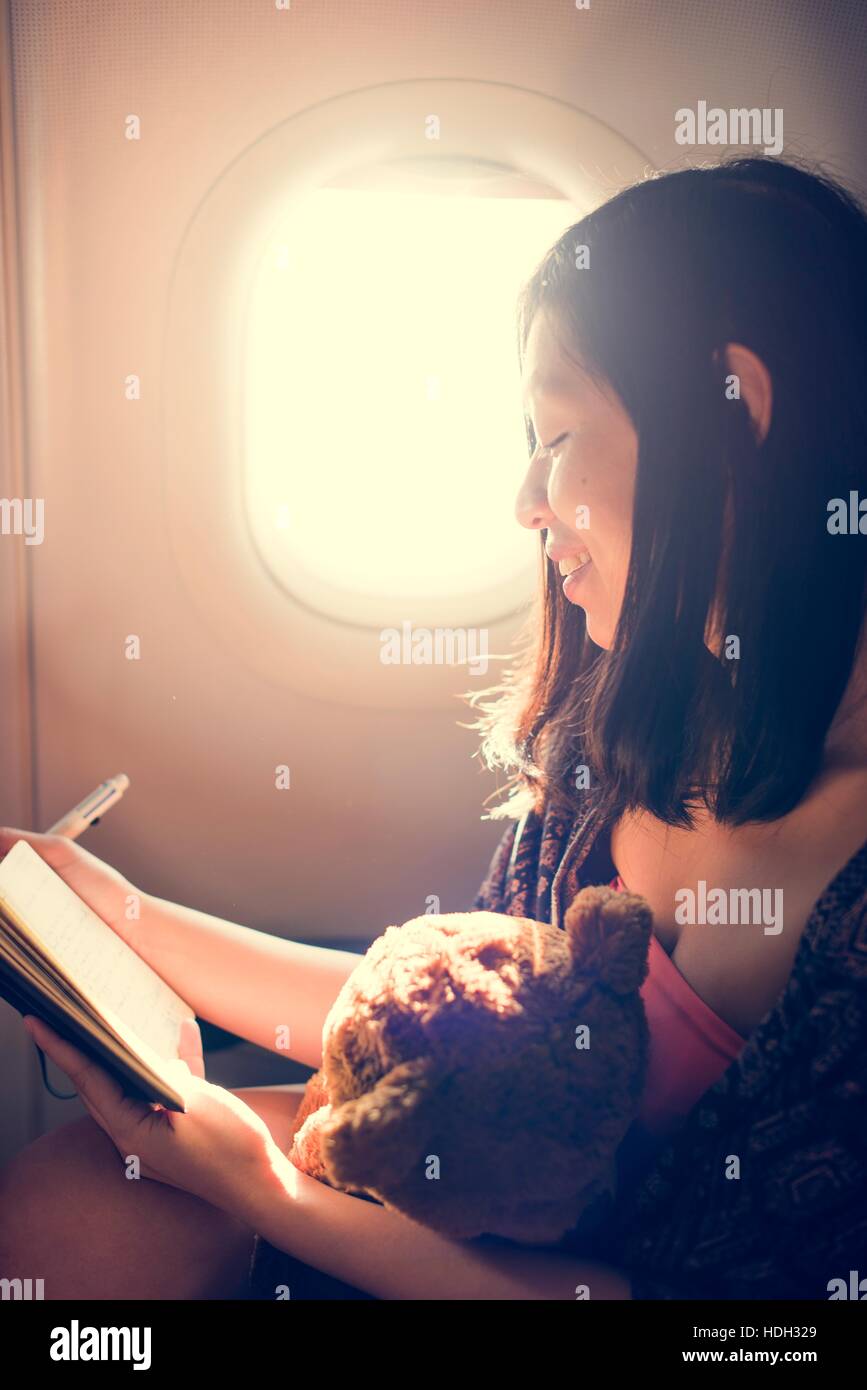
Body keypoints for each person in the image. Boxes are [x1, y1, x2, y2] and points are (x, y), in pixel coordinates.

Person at [1, 156, 865, 1300]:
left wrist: (261, 1183)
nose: (526, 502)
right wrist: (117, 913)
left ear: (732, 408)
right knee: (61, 1210)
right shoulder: (628, 730)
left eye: (556, 438)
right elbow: (440, 1035)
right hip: (467, 1219)